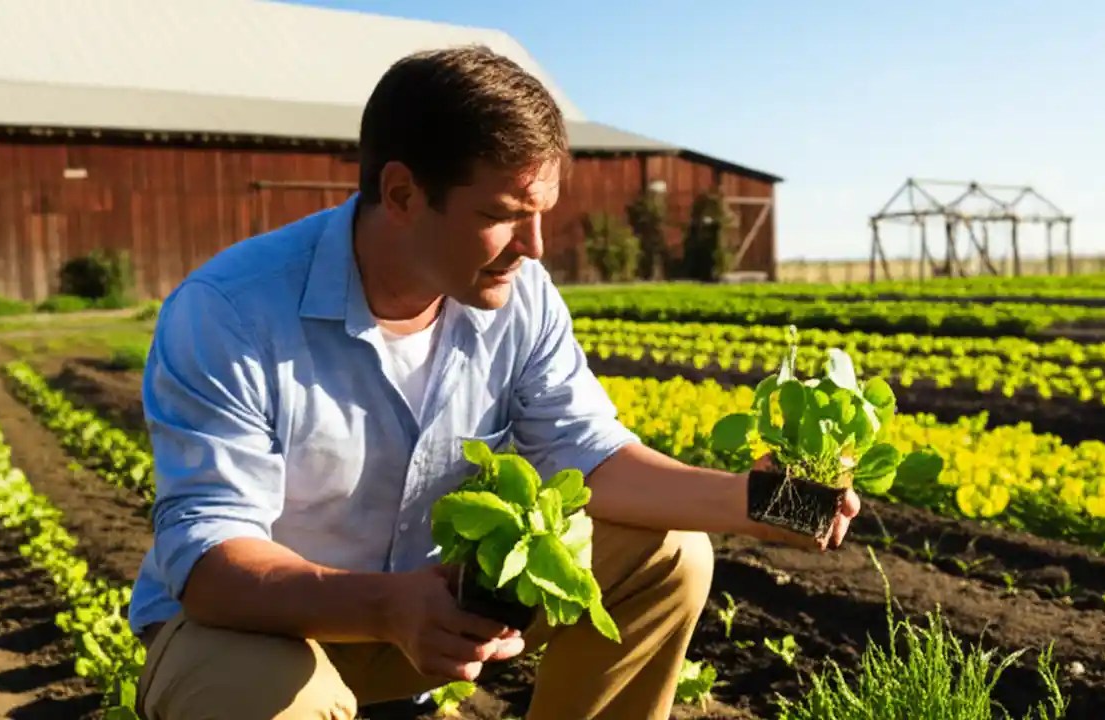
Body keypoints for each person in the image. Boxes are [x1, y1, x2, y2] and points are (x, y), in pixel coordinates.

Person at [129, 44, 860, 720]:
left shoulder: (520, 294)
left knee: (669, 553)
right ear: (404, 194)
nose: (533, 248)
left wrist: (765, 500)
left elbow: (587, 454)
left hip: (429, 613)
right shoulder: (231, 312)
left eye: (540, 214)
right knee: (268, 702)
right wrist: (388, 607)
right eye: (502, 216)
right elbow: (211, 563)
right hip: (258, 630)